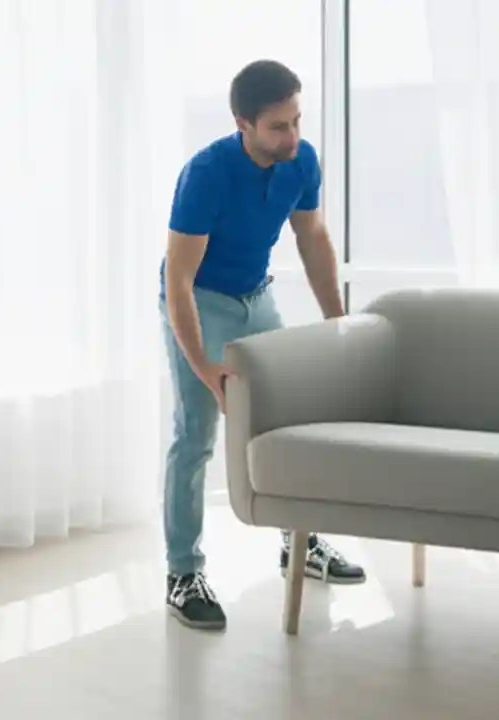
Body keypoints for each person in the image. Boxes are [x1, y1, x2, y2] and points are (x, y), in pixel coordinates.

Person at [160, 59, 366, 631]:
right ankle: (183, 574)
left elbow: (313, 238)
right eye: (279, 126)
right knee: (196, 437)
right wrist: (205, 368)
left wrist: (337, 324)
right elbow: (179, 282)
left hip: (256, 296)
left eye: (297, 121)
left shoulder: (301, 161)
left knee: (287, 421)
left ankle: (299, 546)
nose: (293, 137)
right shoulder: (206, 173)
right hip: (201, 299)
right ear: (243, 123)